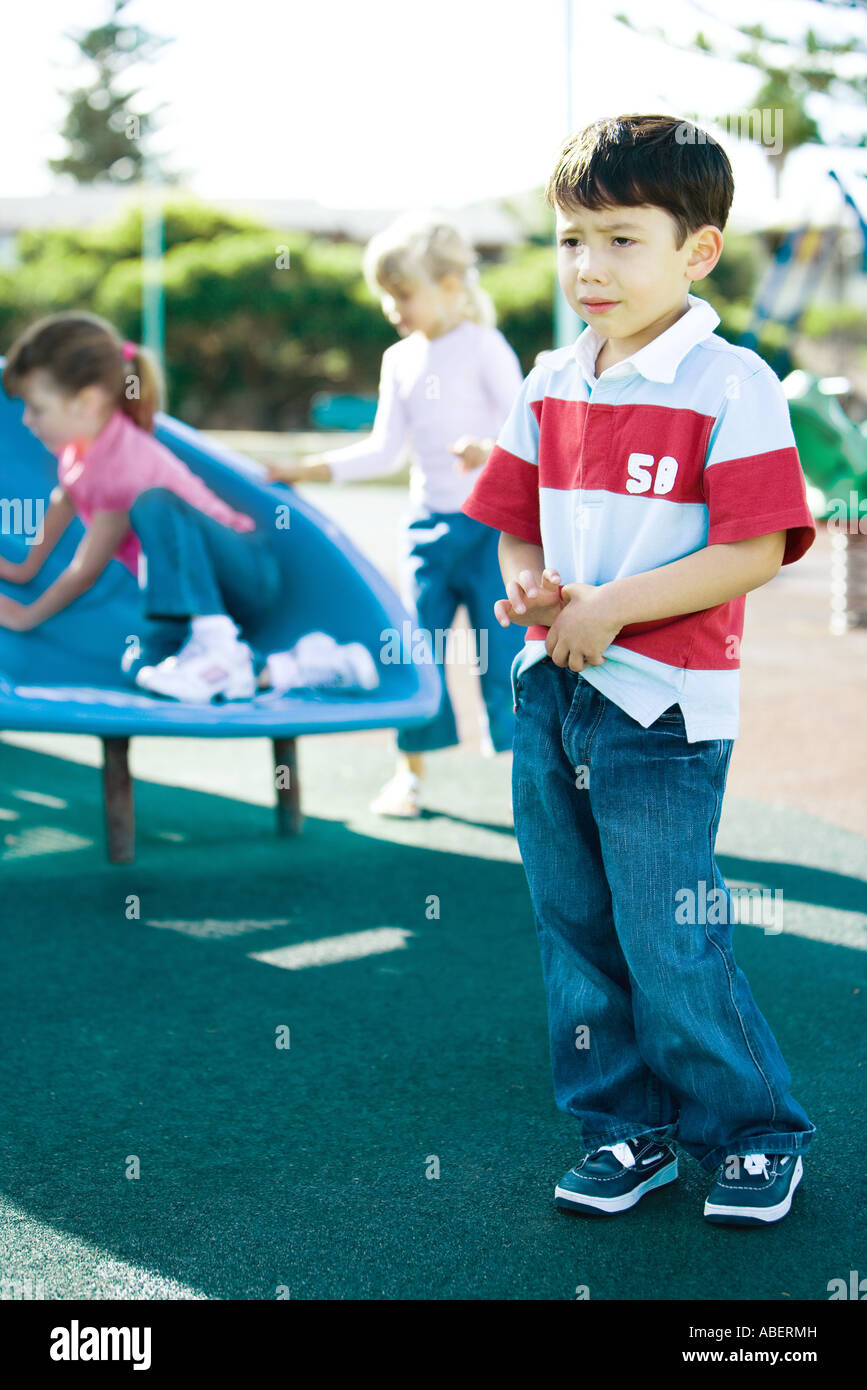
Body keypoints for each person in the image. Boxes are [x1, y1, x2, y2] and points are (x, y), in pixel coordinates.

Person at [461, 114, 817, 1227]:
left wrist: (611, 606)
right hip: (548, 693)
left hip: (660, 712)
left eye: (621, 240)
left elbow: (755, 547)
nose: (588, 266)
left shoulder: (732, 381)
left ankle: (754, 1132)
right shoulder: (550, 377)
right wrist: (535, 589)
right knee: (573, 929)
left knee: (668, 933)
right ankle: (625, 1131)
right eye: (571, 240)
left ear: (696, 252)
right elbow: (513, 526)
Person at [265, 212, 525, 817]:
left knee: (504, 654)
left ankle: (526, 783)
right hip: (426, 532)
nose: (392, 306)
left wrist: (491, 452)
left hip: (492, 533)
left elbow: (527, 430)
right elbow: (385, 449)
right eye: (386, 294)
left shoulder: (484, 346)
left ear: (451, 286)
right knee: (417, 651)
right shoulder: (400, 359)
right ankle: (409, 777)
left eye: (402, 293)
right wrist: (306, 468)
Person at [0, 311, 376, 700]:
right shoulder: (80, 447)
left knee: (154, 504)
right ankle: (303, 666)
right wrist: (25, 569)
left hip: (244, 576)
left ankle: (218, 646)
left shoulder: (122, 464)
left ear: (87, 402)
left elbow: (85, 569)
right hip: (187, 601)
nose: (27, 420)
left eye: (37, 408)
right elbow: (65, 498)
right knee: (142, 668)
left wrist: (26, 616)